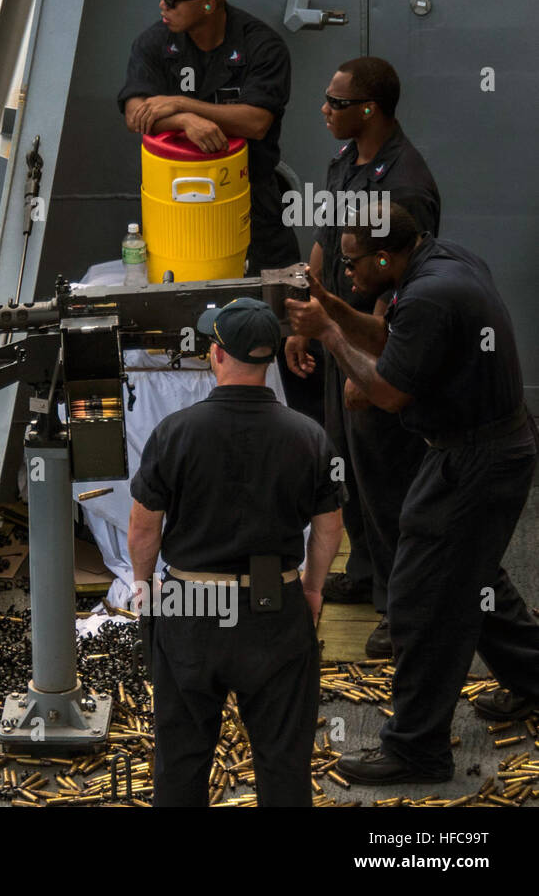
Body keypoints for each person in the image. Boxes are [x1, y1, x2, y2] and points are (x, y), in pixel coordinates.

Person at [286, 204, 539, 784]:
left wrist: (327, 333)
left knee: (424, 597)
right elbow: (392, 337)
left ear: (384, 255)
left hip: (478, 458)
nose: (347, 271)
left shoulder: (429, 293)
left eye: (352, 264)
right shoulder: (434, 265)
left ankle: (418, 748)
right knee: (469, 575)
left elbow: (387, 390)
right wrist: (334, 308)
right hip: (474, 449)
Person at [128, 298, 343, 806]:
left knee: (181, 760)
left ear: (217, 355)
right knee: (283, 762)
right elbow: (329, 528)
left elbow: (142, 529)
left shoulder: (174, 432)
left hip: (190, 605)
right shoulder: (309, 436)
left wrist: (145, 587)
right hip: (274, 606)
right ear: (268, 360)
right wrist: (311, 588)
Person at [283, 57, 441, 658]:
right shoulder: (346, 161)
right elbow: (326, 237)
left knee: (389, 483)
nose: (324, 109)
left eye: (335, 101)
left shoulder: (407, 187)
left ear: (368, 109)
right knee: (347, 465)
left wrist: (370, 371)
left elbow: (401, 285)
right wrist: (305, 313)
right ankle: (370, 571)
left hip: (374, 346)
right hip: (337, 331)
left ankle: (401, 609)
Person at [118, 0, 299, 276]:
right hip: (176, 206)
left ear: (208, 5)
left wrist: (183, 104)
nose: (163, 6)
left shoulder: (263, 48)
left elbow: (256, 123)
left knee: (277, 306)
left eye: (172, 0)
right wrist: (185, 122)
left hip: (251, 200)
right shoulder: (154, 44)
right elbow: (135, 113)